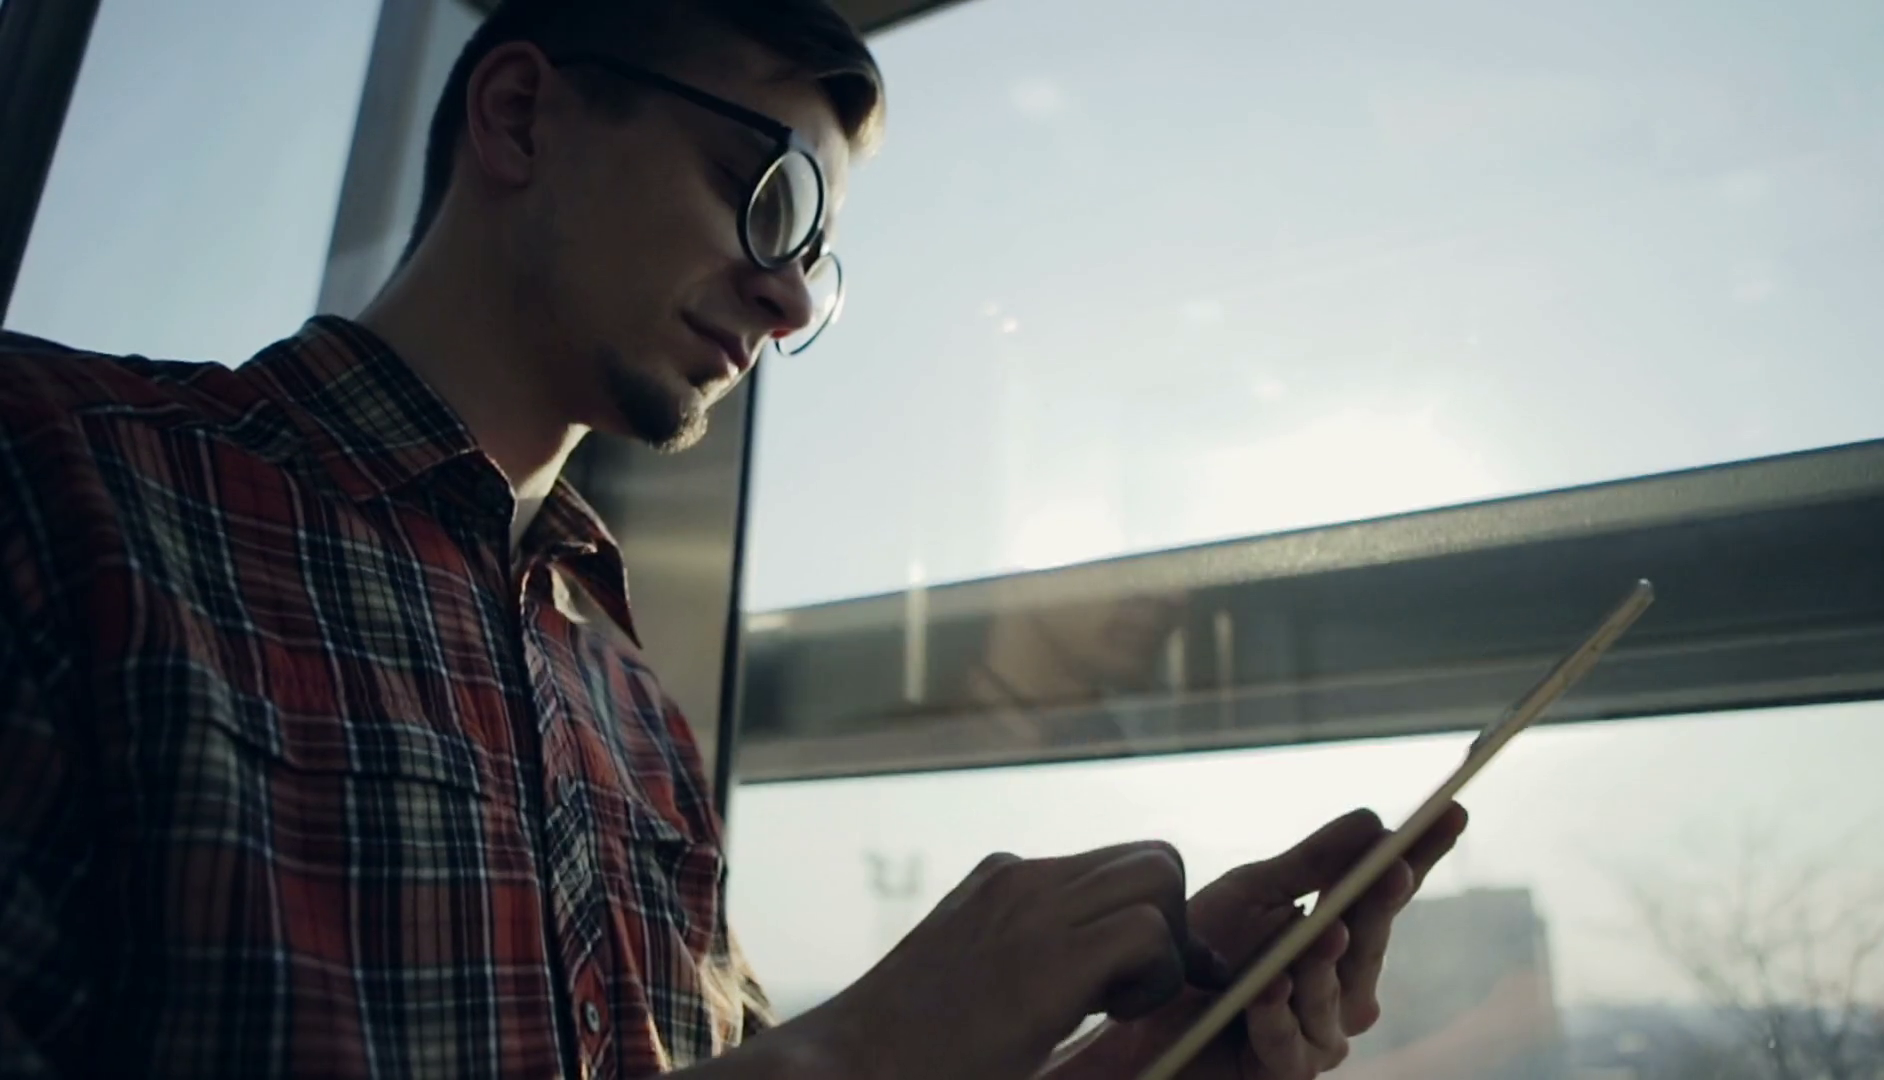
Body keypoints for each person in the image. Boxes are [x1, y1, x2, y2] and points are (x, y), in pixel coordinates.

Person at [0, 0, 1468, 1076]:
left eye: (817, 261)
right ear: (518, 116)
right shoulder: (61, 474)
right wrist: (861, 1049)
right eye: (769, 196)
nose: (783, 301)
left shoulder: (627, 700)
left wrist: (1143, 1052)